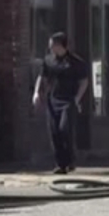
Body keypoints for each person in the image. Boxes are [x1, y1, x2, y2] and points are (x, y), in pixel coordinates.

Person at [31, 31, 90, 175]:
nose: (50, 48)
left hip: (68, 100)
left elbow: (84, 81)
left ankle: (70, 160)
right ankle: (60, 164)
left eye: (53, 45)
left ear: (60, 45)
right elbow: (42, 77)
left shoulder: (76, 62)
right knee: (54, 131)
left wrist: (77, 98)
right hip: (53, 99)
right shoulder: (48, 60)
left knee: (65, 129)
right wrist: (37, 92)